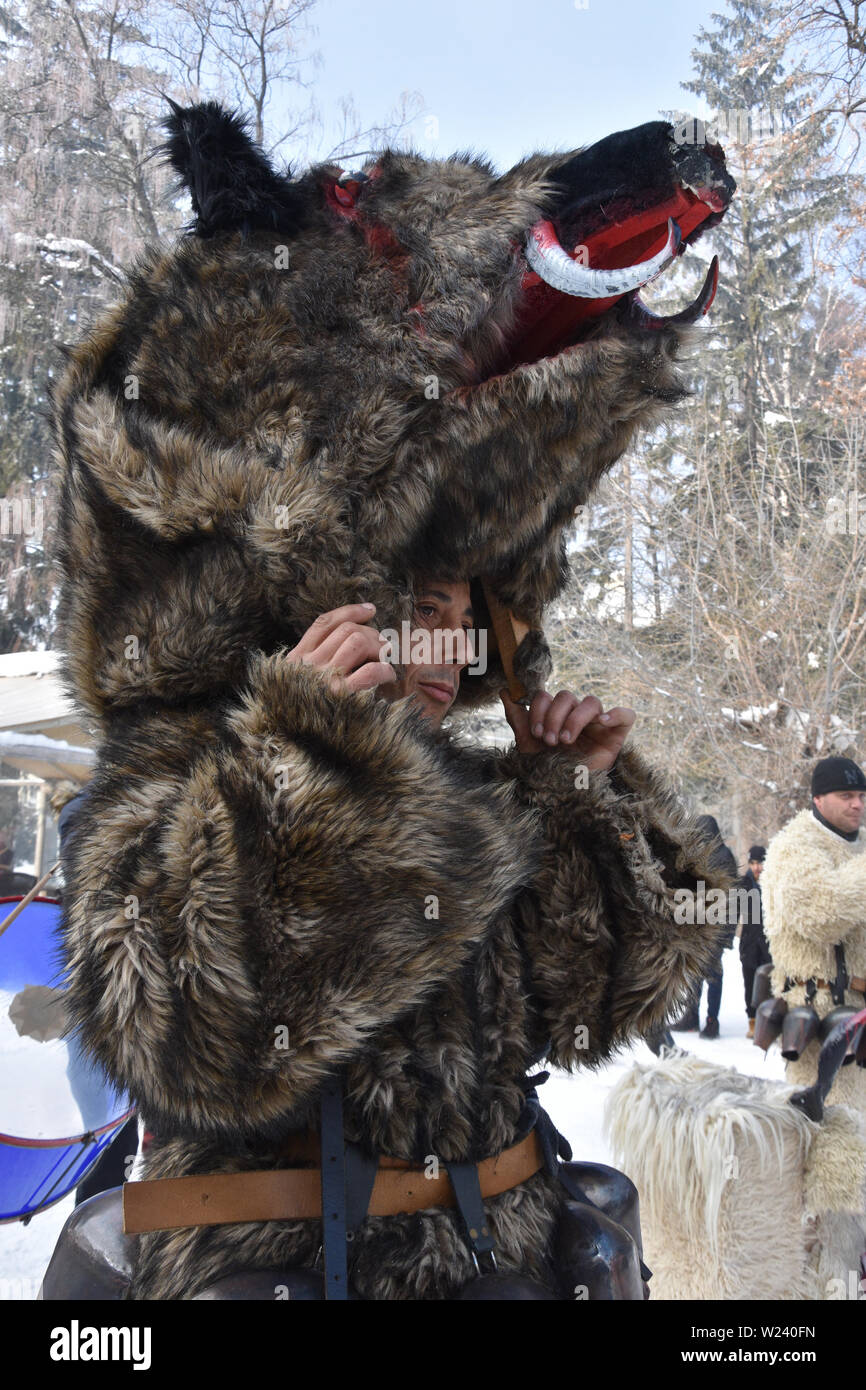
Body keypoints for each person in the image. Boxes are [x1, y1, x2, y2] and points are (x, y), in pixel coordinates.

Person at [761, 756, 866, 1110]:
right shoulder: (795, 847)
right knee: (833, 1127)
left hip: (860, 1010)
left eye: (862, 796)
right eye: (846, 795)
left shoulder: (861, 845)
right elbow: (825, 915)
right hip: (820, 1011)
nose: (857, 804)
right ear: (818, 799)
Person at [670, 814, 738, 1039]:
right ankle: (699, 1018)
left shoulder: (715, 857)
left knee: (708, 973)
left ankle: (707, 1020)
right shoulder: (712, 856)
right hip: (706, 927)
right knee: (701, 972)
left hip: (711, 927)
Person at [738, 845, 770, 1039]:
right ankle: (752, 1021)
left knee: (769, 984)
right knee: (749, 984)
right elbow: (732, 912)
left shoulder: (772, 884)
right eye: (753, 863)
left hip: (768, 944)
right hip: (749, 943)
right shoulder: (743, 884)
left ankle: (768, 1022)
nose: (756, 868)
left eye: (760, 863)